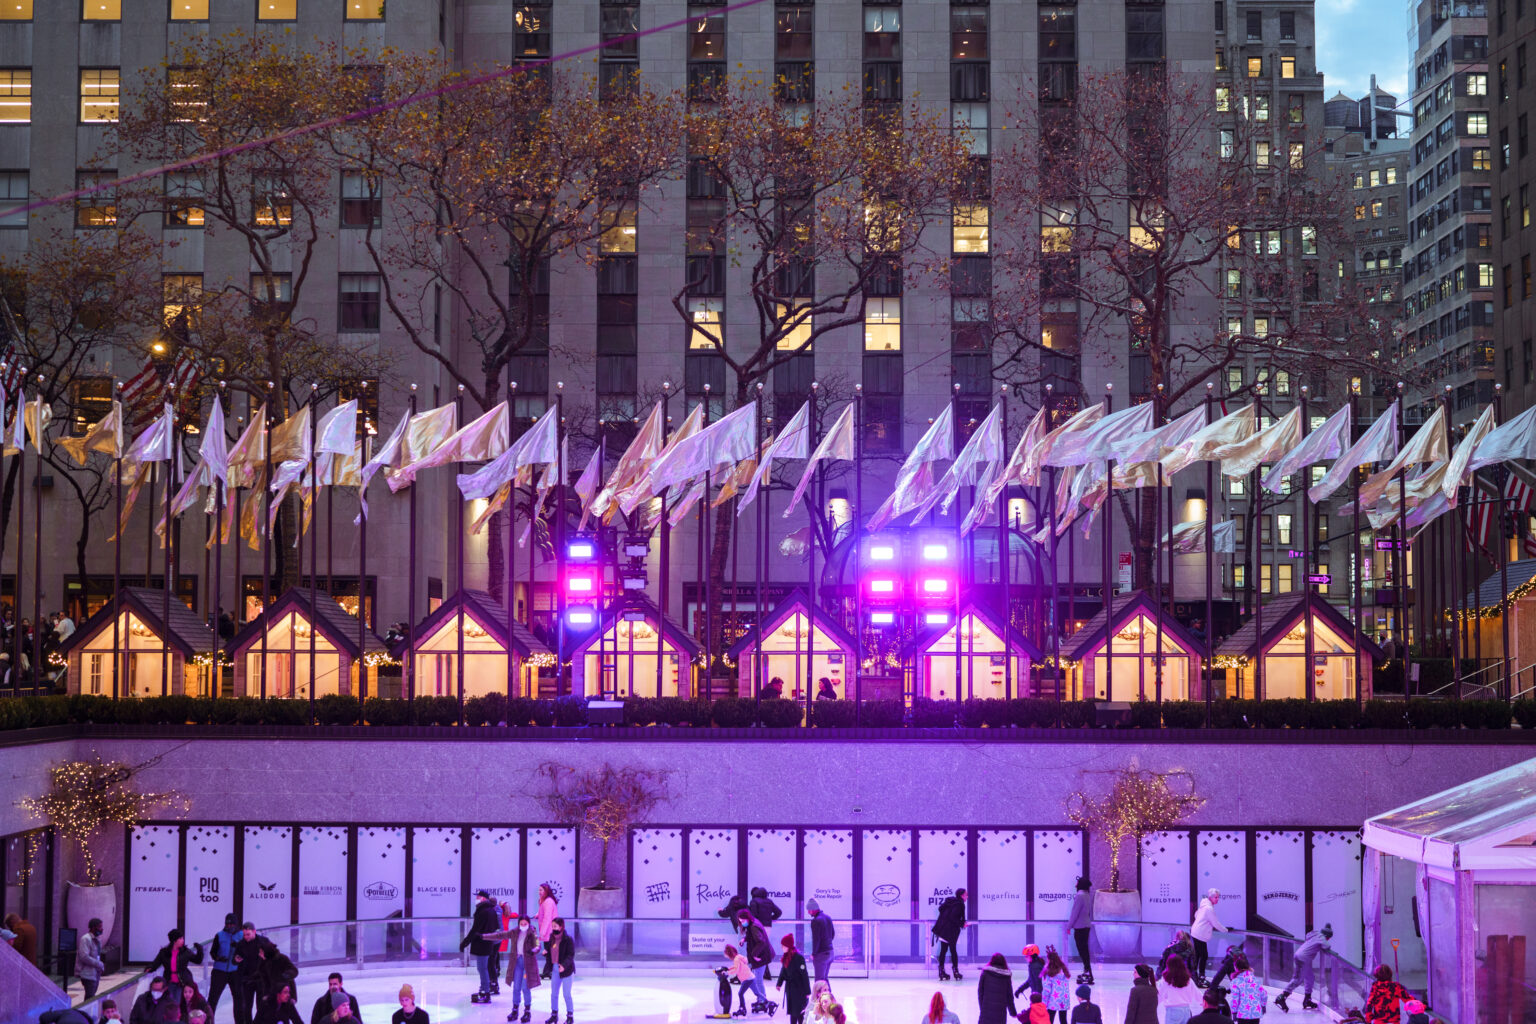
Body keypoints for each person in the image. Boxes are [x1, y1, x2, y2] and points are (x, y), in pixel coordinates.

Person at [479, 912, 539, 1024]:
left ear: (529, 923)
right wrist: (483, 936)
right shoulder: (515, 932)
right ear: (519, 923)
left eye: (525, 923)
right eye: (521, 923)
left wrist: (533, 951)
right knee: (516, 987)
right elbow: (500, 935)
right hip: (516, 963)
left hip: (527, 964)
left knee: (525, 987)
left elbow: (537, 945)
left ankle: (527, 1011)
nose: (523, 925)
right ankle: (515, 1010)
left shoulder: (532, 933)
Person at [1274, 923, 1332, 1013]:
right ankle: (1282, 997)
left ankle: (1307, 999)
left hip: (1302, 956)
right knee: (1298, 979)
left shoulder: (1315, 934)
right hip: (1303, 958)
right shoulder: (1321, 937)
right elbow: (1327, 946)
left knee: (1310, 978)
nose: (1328, 940)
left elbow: (1307, 936)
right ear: (1327, 936)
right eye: (1328, 938)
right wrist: (1325, 940)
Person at [231, 922, 277, 1024]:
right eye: (244, 935)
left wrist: (267, 958)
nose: (246, 937)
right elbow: (233, 960)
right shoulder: (241, 944)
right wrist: (236, 959)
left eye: (248, 934)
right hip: (247, 980)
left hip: (261, 980)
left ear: (254, 932)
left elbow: (274, 953)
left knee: (261, 1006)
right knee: (247, 1007)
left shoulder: (264, 941)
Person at [146, 928, 205, 1005]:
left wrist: (200, 950)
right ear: (174, 940)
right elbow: (156, 963)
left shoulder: (185, 952)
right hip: (169, 981)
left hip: (183, 982)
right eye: (180, 938)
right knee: (169, 1003)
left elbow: (198, 960)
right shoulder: (164, 952)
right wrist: (150, 968)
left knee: (178, 1003)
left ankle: (179, 1016)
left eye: (182, 938)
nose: (183, 940)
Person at [462, 888, 501, 1003]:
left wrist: (466, 942)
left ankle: (485, 992)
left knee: (482, 968)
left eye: (477, 897)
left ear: (483, 898)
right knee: (484, 968)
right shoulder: (490, 910)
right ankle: (485, 989)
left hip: (483, 943)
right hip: (487, 943)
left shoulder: (483, 911)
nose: (476, 899)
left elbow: (475, 929)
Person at [737, 909, 777, 1016]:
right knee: (756, 979)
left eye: (743, 920)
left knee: (758, 980)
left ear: (747, 918)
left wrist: (754, 954)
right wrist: (744, 939)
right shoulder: (753, 923)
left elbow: (761, 941)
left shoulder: (754, 926)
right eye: (740, 921)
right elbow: (754, 936)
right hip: (761, 956)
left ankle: (763, 1001)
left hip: (760, 957)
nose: (742, 922)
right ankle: (761, 999)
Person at [1189, 890, 1227, 986]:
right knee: (1204, 955)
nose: (1217, 899)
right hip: (1199, 934)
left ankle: (1194, 977)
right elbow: (1215, 923)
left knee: (1198, 955)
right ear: (1210, 897)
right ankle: (1200, 978)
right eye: (1216, 897)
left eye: (1218, 897)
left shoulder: (1204, 906)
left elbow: (1196, 915)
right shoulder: (1208, 908)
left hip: (1196, 932)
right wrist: (1226, 930)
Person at [208, 913, 243, 1014]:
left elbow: (246, 952)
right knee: (213, 999)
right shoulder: (219, 935)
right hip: (219, 971)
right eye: (227, 924)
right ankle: (208, 1020)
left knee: (239, 999)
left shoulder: (241, 935)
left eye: (232, 924)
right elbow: (212, 952)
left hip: (235, 971)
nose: (229, 926)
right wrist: (218, 958)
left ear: (236, 924)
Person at [930, 888, 966, 981]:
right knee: (953, 950)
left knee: (943, 950)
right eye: (966, 894)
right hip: (951, 931)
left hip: (943, 930)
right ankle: (956, 972)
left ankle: (941, 972)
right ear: (962, 895)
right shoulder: (959, 904)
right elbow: (953, 917)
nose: (967, 896)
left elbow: (944, 912)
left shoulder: (951, 902)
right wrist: (962, 924)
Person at [544, 917, 574, 1024]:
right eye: (552, 926)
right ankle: (554, 1015)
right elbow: (551, 952)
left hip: (566, 970)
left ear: (561, 927)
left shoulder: (568, 939)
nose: (553, 928)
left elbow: (570, 955)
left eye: (555, 926)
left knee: (566, 994)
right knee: (554, 994)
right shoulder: (551, 938)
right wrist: (546, 952)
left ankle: (570, 1016)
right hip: (555, 969)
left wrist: (564, 966)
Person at [1158, 955, 1204, 1024]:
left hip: (1172, 1011)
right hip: (1186, 1011)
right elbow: (1197, 994)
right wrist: (1204, 1002)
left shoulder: (1166, 980)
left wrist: (1152, 1005)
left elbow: (1159, 995)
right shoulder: (1188, 979)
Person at [777, 933, 811, 1024]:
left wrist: (807, 991)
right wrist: (779, 983)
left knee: (799, 1012)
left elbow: (804, 975)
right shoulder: (785, 957)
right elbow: (783, 971)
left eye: (783, 946)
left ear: (788, 946)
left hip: (799, 990)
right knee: (792, 1012)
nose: (782, 947)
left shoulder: (799, 958)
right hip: (790, 990)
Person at [1067, 877, 1094, 984]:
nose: (1075, 885)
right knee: (1084, 950)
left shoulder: (1079, 895)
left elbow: (1075, 912)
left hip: (1080, 927)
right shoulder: (1087, 895)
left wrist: (1069, 926)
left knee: (1082, 950)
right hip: (1086, 925)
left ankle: (1088, 971)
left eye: (1077, 883)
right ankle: (1087, 971)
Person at [976, 953, 1017, 1024]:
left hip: (986, 1011)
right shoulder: (1006, 976)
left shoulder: (985, 973)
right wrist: (1013, 1012)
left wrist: (982, 1008)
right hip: (1000, 1013)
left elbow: (980, 992)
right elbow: (1009, 996)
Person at [1227, 955, 1268, 1023]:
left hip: (1242, 1014)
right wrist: (1263, 1005)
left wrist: (1234, 1012)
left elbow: (1235, 999)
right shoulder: (1255, 980)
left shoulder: (1235, 982)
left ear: (1236, 968)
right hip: (1255, 1013)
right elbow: (1264, 994)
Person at [807, 899, 835, 991]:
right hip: (830, 952)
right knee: (824, 979)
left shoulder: (816, 921)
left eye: (809, 909)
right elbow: (832, 934)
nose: (808, 912)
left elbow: (816, 939)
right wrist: (828, 944)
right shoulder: (828, 917)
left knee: (819, 982)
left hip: (821, 955)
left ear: (814, 909)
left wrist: (814, 953)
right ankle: (830, 1001)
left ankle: (820, 1003)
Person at [78, 916, 106, 1000]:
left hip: (95, 972)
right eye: (100, 927)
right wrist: (99, 964)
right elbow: (84, 957)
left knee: (92, 996)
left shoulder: (97, 939)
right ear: (93, 927)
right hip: (87, 974)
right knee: (89, 998)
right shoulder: (85, 939)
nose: (102, 929)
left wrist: (100, 967)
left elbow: (97, 955)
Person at [1042, 947, 1072, 1024]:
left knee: (1049, 1020)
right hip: (1064, 1000)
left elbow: (1047, 990)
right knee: (1063, 1020)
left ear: (1049, 960)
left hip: (1053, 1000)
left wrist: (1044, 1002)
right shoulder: (1064, 970)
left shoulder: (1049, 973)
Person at [723, 943, 754, 1017]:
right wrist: (729, 969)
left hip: (747, 978)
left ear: (729, 954)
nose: (726, 956)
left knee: (740, 993)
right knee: (757, 993)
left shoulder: (736, 959)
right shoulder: (738, 957)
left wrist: (727, 973)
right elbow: (736, 967)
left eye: (726, 954)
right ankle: (765, 1002)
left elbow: (736, 970)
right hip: (750, 977)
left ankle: (743, 1009)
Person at [535, 884, 558, 978]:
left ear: (546, 891)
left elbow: (547, 918)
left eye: (541, 890)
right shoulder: (544, 901)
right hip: (548, 932)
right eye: (539, 890)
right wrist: (538, 914)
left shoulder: (548, 902)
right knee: (549, 953)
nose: (539, 892)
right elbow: (544, 912)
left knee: (549, 952)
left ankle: (548, 972)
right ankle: (548, 972)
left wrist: (542, 932)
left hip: (549, 932)